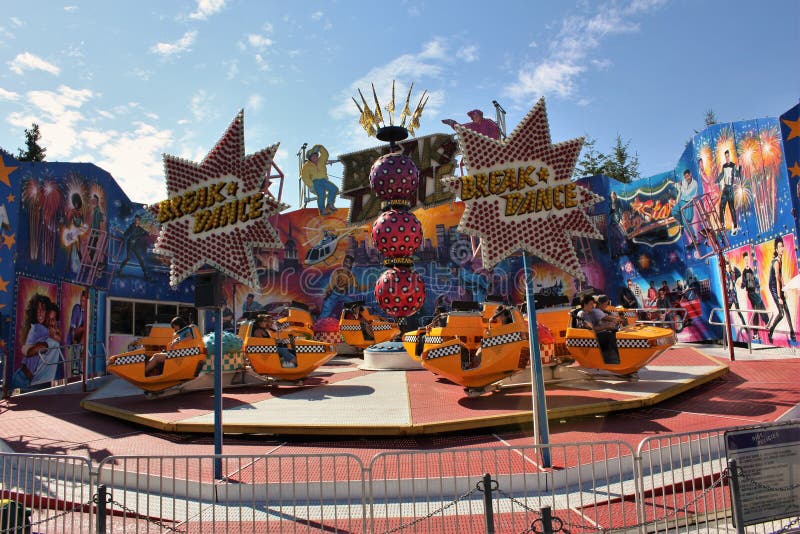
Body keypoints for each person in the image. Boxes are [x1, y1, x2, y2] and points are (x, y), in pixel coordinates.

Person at [577, 294, 620, 365]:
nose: (593, 306)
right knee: (609, 336)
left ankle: (612, 357)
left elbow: (599, 324)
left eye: (593, 304)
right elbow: (591, 329)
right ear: (585, 304)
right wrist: (606, 326)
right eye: (591, 304)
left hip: (595, 336)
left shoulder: (591, 312)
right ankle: (614, 360)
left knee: (614, 333)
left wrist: (609, 325)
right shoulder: (582, 314)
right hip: (587, 339)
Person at [768, 237, 796, 343]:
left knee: (787, 310)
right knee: (781, 313)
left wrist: (784, 287)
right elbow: (776, 279)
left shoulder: (780, 259)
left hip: (778, 285)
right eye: (779, 247)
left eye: (782, 246)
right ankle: (770, 331)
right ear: (776, 249)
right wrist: (779, 296)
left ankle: (792, 332)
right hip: (774, 287)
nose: (781, 248)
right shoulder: (776, 262)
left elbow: (780, 276)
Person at [300, 144, 339, 216]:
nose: (316, 157)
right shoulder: (306, 166)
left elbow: (325, 154)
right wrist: (311, 186)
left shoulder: (321, 160)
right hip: (315, 182)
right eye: (313, 156)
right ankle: (322, 210)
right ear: (310, 158)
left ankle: (330, 204)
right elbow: (304, 177)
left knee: (334, 189)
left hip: (324, 180)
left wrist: (319, 147)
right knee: (322, 194)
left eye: (316, 155)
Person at [741, 251, 769, 340]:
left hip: (754, 292)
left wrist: (758, 286)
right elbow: (743, 284)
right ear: (743, 261)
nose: (746, 261)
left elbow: (755, 282)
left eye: (747, 259)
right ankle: (767, 322)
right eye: (745, 260)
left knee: (756, 312)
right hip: (751, 293)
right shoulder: (745, 271)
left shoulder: (751, 270)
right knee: (760, 304)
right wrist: (742, 283)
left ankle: (755, 333)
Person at [118, 215, 151, 279]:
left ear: (139, 221)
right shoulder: (131, 226)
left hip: (135, 244)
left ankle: (145, 274)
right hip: (130, 243)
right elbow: (125, 233)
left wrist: (150, 232)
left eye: (137, 220)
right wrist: (118, 230)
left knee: (140, 259)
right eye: (135, 219)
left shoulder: (141, 228)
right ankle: (120, 270)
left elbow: (147, 233)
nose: (136, 221)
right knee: (128, 258)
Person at [716, 150, 740, 235]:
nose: (727, 158)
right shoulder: (724, 166)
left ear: (730, 156)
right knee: (721, 206)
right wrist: (717, 180)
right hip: (725, 188)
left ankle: (735, 225)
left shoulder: (733, 165)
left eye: (728, 156)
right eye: (726, 156)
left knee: (731, 208)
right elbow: (722, 174)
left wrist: (739, 168)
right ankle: (722, 224)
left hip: (730, 188)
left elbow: (737, 175)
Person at [673, 169, 699, 243]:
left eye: (687, 176)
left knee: (687, 222)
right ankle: (681, 225)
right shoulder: (684, 181)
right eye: (685, 177)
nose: (686, 178)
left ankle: (694, 239)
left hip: (688, 202)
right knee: (674, 211)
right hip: (682, 201)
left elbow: (687, 194)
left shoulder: (694, 184)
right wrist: (675, 184)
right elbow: (679, 184)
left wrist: (681, 187)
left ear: (690, 175)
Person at [67, 290, 88, 377]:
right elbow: (73, 328)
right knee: (76, 351)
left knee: (81, 352)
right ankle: (76, 370)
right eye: (81, 300)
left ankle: (80, 370)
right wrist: (74, 340)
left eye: (84, 301)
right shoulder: (76, 308)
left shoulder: (87, 312)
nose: (82, 303)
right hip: (75, 336)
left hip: (81, 338)